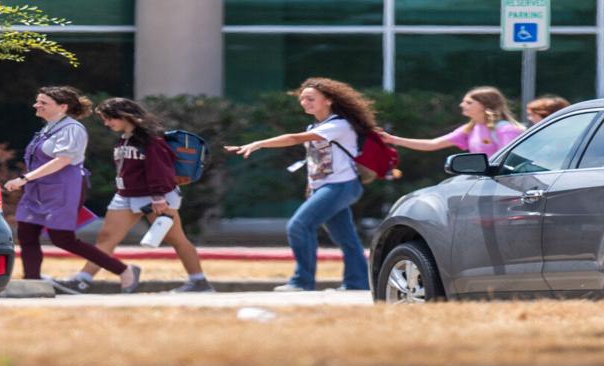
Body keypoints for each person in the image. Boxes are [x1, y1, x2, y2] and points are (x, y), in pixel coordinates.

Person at [224, 77, 373, 293]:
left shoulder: (338, 125)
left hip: (341, 186)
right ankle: (357, 284)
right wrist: (311, 189)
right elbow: (316, 161)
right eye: (302, 99)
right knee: (346, 238)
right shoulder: (315, 125)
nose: (305, 103)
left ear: (329, 100)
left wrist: (259, 143)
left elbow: (294, 138)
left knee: (299, 226)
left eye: (311, 99)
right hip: (325, 187)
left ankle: (302, 282)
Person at [64, 98, 211, 294]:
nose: (107, 124)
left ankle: (199, 281)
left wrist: (158, 196)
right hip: (125, 195)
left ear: (124, 116)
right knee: (106, 238)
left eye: (109, 119)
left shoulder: (153, 140)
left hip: (155, 196)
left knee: (177, 239)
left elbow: (160, 169)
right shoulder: (124, 138)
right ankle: (82, 280)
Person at [3, 86, 141, 295]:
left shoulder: (72, 129)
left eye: (43, 103)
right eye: (37, 101)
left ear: (63, 107)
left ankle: (124, 270)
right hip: (37, 190)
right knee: (27, 232)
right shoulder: (47, 128)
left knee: (62, 238)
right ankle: (33, 281)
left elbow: (62, 160)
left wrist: (24, 178)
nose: (36, 105)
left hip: (63, 190)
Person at [375, 86, 525, 158]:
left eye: (468, 102)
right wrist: (393, 139)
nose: (462, 105)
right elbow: (433, 144)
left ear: (484, 105)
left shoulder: (506, 130)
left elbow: (511, 160)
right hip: (485, 185)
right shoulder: (469, 129)